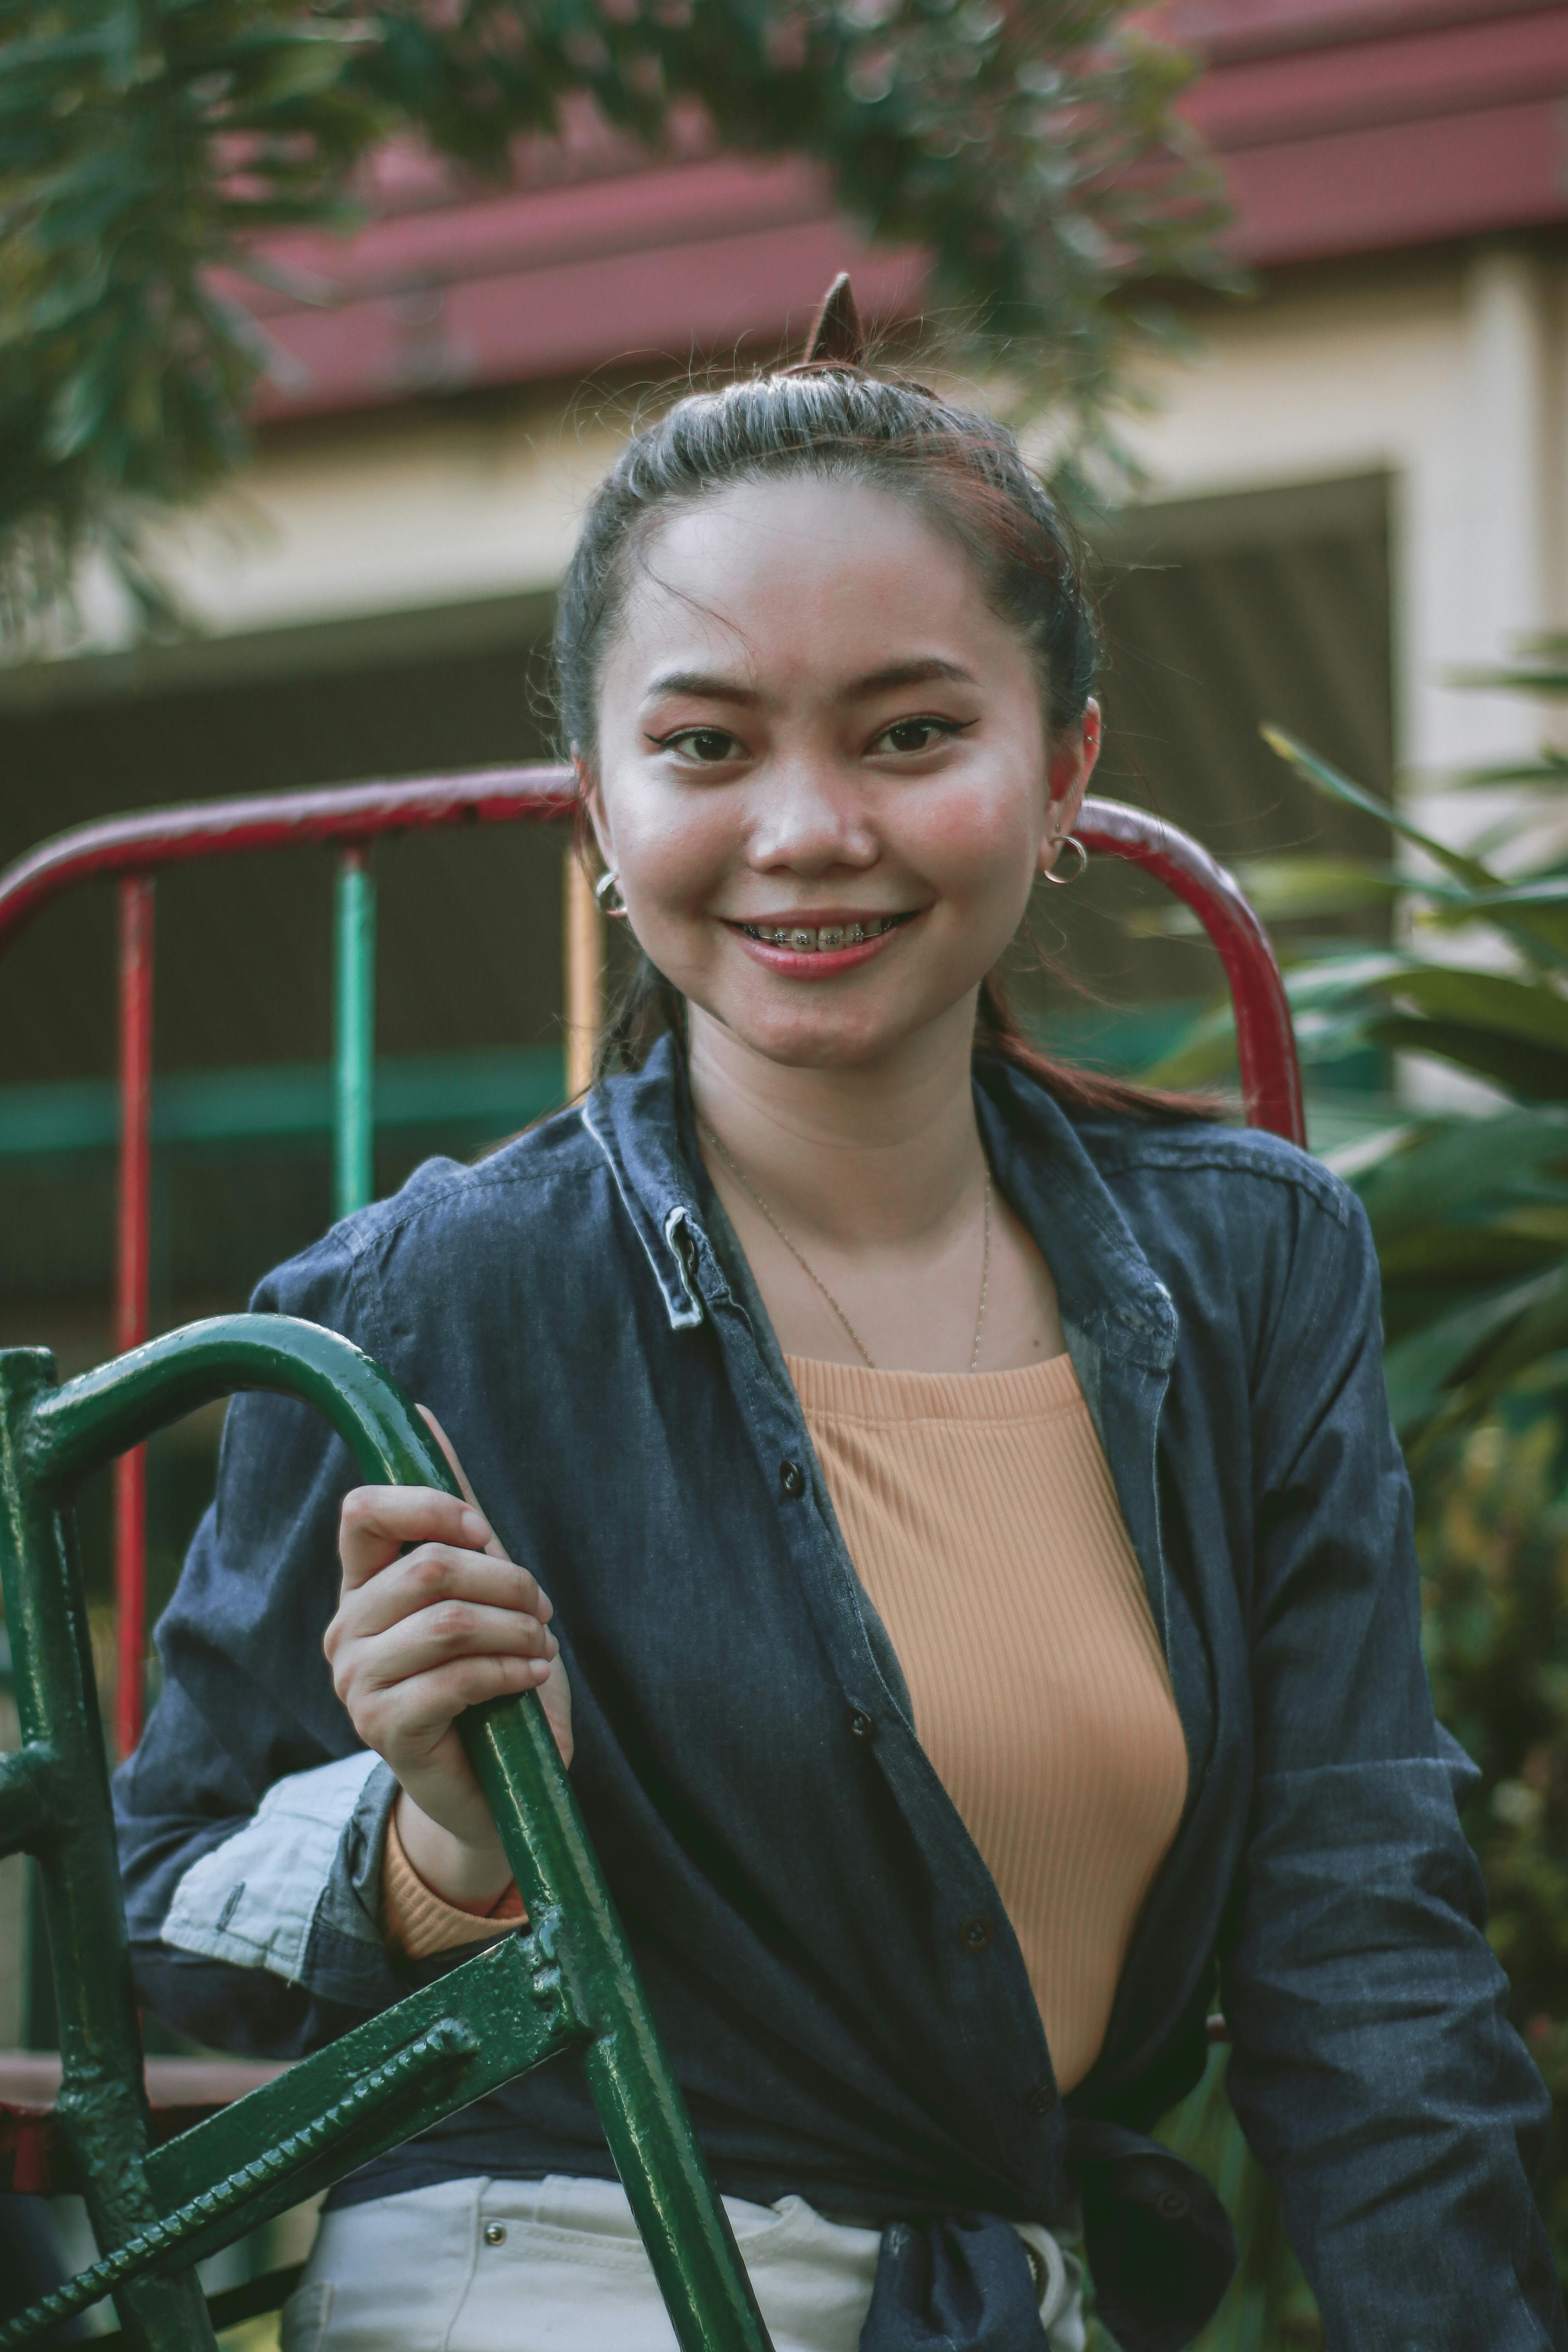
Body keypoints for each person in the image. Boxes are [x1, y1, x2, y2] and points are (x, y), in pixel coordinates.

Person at [115, 281, 1564, 2352]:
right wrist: (437, 1841)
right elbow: (155, 1928)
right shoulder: (429, 1301)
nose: (811, 832)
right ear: (605, 808)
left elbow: (1364, 1935)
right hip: (563, 2279)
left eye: (909, 733)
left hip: (1005, 2297)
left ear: (1063, 769)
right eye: (707, 745)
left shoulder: (1251, 1268)